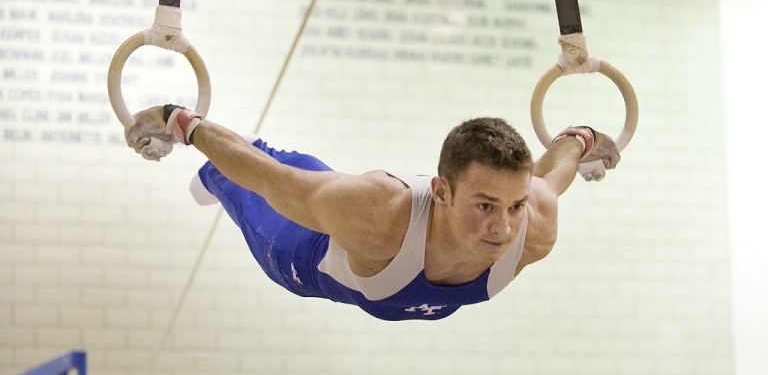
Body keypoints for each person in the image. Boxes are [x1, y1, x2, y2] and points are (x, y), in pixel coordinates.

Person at [126, 105, 620, 321]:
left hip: (347, 222)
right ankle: (213, 172)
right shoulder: (383, 214)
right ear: (442, 192)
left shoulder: (534, 222)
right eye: (485, 206)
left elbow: (555, 170)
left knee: (319, 184)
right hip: (308, 255)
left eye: (513, 205)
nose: (503, 227)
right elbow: (270, 180)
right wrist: (182, 123)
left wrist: (583, 138)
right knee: (262, 177)